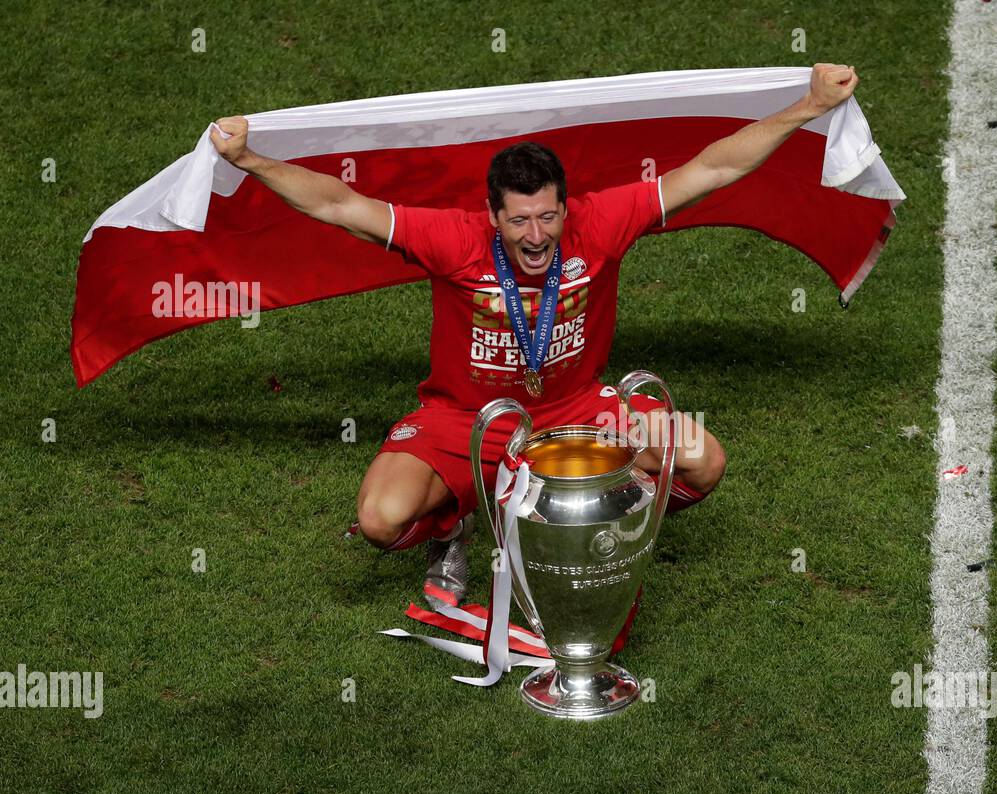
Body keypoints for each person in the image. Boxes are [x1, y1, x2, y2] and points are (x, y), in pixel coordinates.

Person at [209, 63, 859, 610]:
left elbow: (713, 170)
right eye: (520, 220)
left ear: (566, 207)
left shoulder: (603, 223)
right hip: (466, 418)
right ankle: (455, 528)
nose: (537, 235)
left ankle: (578, 526)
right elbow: (336, 204)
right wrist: (246, 157)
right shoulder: (451, 239)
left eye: (549, 215)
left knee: (702, 460)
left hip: (576, 409)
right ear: (494, 215)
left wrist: (808, 105)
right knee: (382, 519)